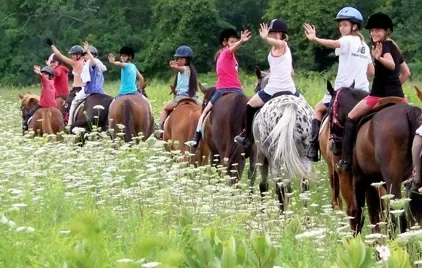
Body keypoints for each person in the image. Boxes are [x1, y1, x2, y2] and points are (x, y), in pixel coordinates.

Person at [337, 12, 410, 172]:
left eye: (378, 30)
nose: (374, 33)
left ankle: (346, 160)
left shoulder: (383, 47)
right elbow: (406, 73)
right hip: (399, 97)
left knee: (350, 117)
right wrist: (395, 85)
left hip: (377, 96)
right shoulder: (394, 47)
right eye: (372, 31)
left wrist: (379, 58)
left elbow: (390, 65)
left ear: (386, 32)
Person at [303, 7, 374, 162]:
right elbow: (371, 71)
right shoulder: (365, 46)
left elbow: (334, 43)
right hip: (363, 92)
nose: (341, 28)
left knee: (319, 109)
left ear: (354, 27)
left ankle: (313, 148)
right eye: (340, 25)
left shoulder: (347, 40)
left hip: (343, 90)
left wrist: (315, 39)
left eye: (345, 25)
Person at [234, 19, 299, 148]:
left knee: (249, 106)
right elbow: (292, 73)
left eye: (277, 33)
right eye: (272, 32)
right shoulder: (282, 50)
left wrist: (265, 38)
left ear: (282, 34)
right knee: (308, 108)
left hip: (273, 90)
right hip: (291, 90)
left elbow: (276, 43)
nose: (274, 35)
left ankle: (247, 138)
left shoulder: (282, 45)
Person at [191, 28, 251, 148]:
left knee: (205, 112)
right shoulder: (226, 53)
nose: (234, 44)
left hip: (233, 88)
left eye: (235, 41)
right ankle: (196, 136)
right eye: (232, 41)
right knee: (204, 111)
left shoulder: (230, 56)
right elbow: (232, 49)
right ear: (225, 43)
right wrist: (241, 42)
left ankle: (196, 137)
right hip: (226, 89)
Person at [157, 45, 201, 137]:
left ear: (187, 59)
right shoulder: (191, 70)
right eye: (177, 58)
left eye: (180, 58)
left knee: (165, 108)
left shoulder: (184, 68)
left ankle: (160, 129)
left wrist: (173, 66)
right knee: (203, 108)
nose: (178, 60)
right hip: (194, 98)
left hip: (181, 97)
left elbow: (179, 69)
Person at [67, 41, 107, 127]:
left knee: (74, 102)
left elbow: (93, 62)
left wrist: (87, 51)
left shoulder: (91, 63)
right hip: (100, 91)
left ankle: (70, 123)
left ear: (91, 54)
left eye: (85, 55)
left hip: (89, 91)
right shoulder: (96, 63)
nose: (84, 56)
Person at [23, 66, 57, 131]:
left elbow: (42, 77)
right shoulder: (52, 83)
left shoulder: (46, 82)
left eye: (46, 74)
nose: (44, 75)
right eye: (43, 73)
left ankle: (24, 131)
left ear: (50, 76)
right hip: (54, 107)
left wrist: (39, 73)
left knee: (28, 115)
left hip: (43, 105)